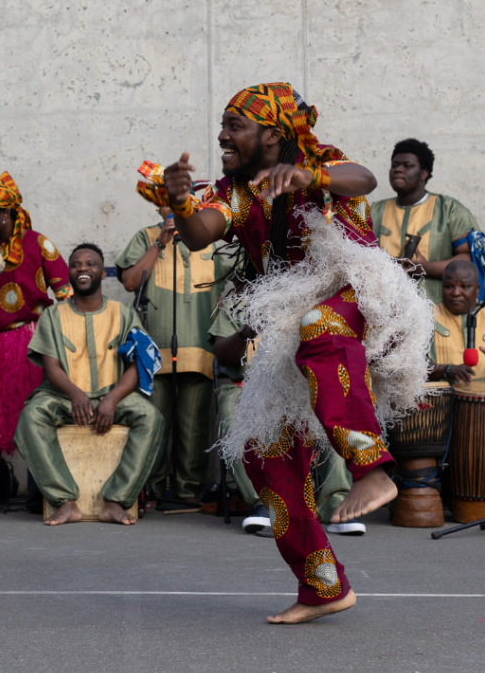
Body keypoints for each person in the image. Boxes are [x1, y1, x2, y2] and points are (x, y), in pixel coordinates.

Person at [158, 82, 431, 624]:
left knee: (320, 320)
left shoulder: (321, 162)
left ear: (272, 135)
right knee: (265, 451)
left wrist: (312, 177)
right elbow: (196, 234)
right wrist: (179, 199)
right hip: (298, 329)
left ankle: (372, 466)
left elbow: (365, 179)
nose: (222, 135)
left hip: (364, 297)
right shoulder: (237, 191)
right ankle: (323, 585)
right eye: (224, 124)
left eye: (235, 126)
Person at [14, 245, 165, 526]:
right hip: (65, 397)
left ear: (102, 271)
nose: (83, 269)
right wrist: (75, 394)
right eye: (76, 264)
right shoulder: (52, 315)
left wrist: (112, 399)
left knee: (151, 417)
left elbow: (137, 366)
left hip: (113, 397)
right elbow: (51, 366)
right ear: (69, 272)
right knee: (31, 416)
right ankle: (64, 501)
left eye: (90, 264)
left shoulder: (124, 314)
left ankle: (116, 500)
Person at [0, 173, 72, 512]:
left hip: (32, 343)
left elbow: (65, 295)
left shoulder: (38, 243)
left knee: (37, 418)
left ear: (5, 214)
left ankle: (46, 493)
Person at [210, 281, 364, 537]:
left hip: (300, 386)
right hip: (248, 388)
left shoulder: (313, 293)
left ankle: (334, 500)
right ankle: (266, 501)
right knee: (228, 405)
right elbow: (222, 355)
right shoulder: (238, 302)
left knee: (332, 394)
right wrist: (245, 333)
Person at [117, 189, 228, 509]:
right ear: (158, 206)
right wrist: (160, 244)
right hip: (154, 346)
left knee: (194, 424)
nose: (173, 208)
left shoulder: (209, 241)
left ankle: (188, 489)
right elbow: (129, 281)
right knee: (155, 420)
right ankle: (150, 487)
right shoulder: (147, 236)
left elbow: (224, 291)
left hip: (200, 344)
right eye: (167, 202)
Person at [371, 138, 478, 303]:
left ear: (423, 173)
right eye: (394, 165)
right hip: (381, 309)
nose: (398, 170)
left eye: (407, 165)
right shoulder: (374, 211)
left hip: (436, 313)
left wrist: (427, 268)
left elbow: (470, 260)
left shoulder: (449, 209)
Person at [428, 258, 485, 391]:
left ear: (477, 290)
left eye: (464, 286)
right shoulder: (425, 318)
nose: (456, 293)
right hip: (441, 407)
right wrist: (447, 370)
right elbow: (411, 366)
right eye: (448, 286)